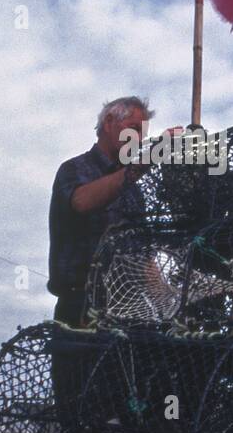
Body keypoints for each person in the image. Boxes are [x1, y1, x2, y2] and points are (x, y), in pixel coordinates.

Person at [48, 96, 154, 327]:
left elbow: (145, 257)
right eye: (134, 129)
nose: (139, 139)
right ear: (108, 123)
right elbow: (82, 202)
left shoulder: (134, 192)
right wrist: (146, 162)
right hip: (79, 306)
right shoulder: (74, 169)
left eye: (142, 134)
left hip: (127, 310)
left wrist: (169, 300)